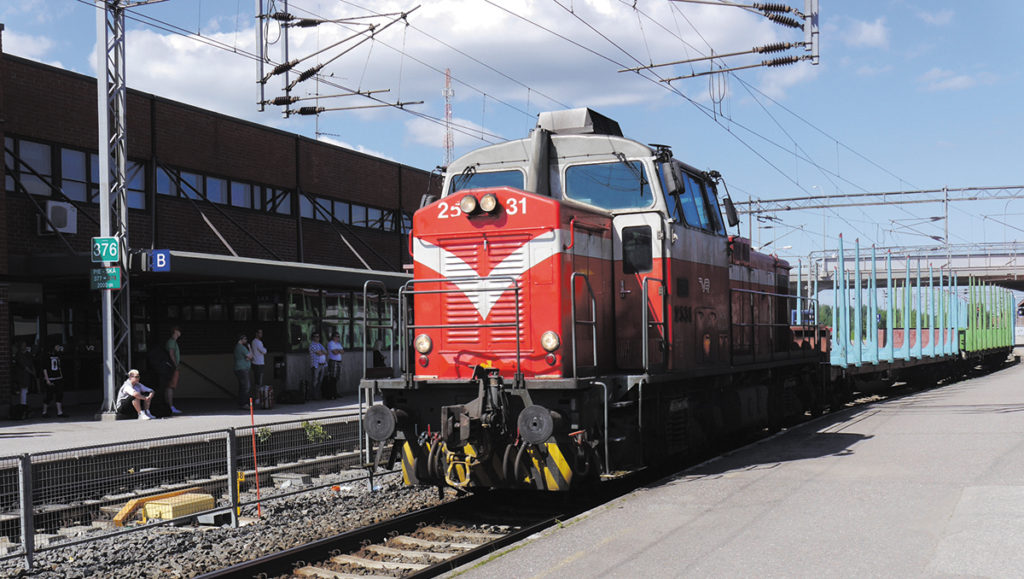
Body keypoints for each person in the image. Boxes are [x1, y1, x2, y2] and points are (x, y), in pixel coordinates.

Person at [40, 343, 69, 418]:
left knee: (59, 394)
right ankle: (44, 412)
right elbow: (44, 368)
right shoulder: (47, 356)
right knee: (49, 396)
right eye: (57, 346)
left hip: (58, 377)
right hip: (50, 378)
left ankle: (60, 412)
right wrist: (47, 379)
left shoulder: (59, 355)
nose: (58, 348)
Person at [11, 342, 35, 420]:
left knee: (25, 390)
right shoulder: (19, 355)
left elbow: (31, 363)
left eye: (25, 345)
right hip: (21, 376)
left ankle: (23, 407)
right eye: (22, 345)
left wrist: (32, 371)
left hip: (26, 376)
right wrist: (31, 372)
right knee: (23, 390)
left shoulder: (28, 354)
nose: (23, 347)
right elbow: (23, 366)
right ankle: (22, 407)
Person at [165, 327, 183, 414]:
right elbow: (171, 354)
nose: (180, 332)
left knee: (171, 386)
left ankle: (170, 406)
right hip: (173, 367)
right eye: (178, 330)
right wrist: (175, 365)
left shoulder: (173, 341)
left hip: (172, 366)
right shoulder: (172, 342)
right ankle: (170, 406)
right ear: (175, 331)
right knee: (171, 386)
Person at [234, 333, 254, 409]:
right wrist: (249, 348)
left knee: (242, 387)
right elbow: (251, 356)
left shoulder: (237, 347)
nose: (246, 340)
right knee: (246, 386)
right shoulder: (241, 347)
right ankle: (244, 404)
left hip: (239, 369)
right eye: (245, 339)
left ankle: (241, 403)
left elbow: (248, 358)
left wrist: (248, 358)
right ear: (241, 339)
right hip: (242, 369)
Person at [308, 331, 327, 401]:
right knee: (315, 381)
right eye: (316, 336)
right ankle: (314, 396)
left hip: (322, 365)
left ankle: (318, 395)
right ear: (313, 338)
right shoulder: (312, 345)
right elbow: (319, 353)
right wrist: (322, 352)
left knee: (320, 380)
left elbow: (326, 352)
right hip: (316, 365)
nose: (317, 338)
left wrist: (322, 352)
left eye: (318, 337)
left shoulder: (320, 345)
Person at [325, 331, 344, 400]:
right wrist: (339, 351)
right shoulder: (331, 343)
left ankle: (335, 392)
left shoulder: (338, 344)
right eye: (336, 336)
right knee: (332, 377)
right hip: (333, 361)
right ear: (333, 337)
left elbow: (343, 351)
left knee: (337, 378)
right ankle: (331, 393)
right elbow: (335, 352)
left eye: (338, 336)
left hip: (339, 361)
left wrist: (338, 350)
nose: (338, 338)